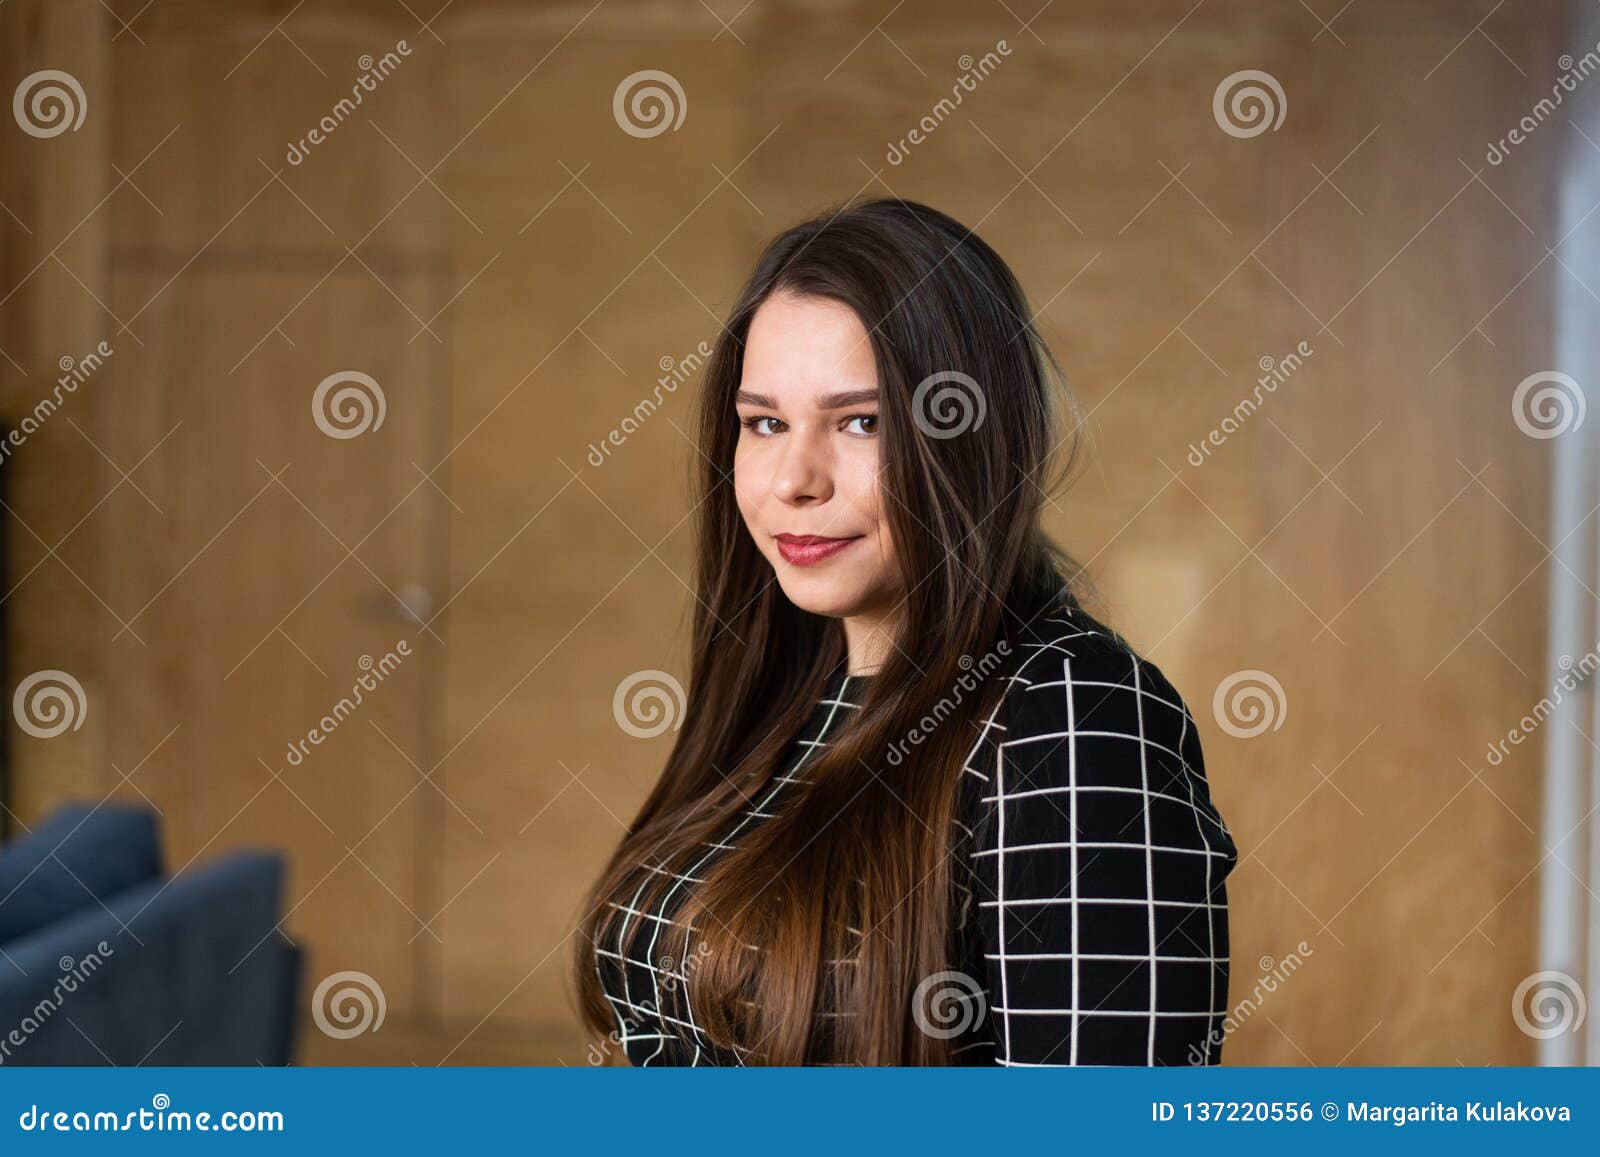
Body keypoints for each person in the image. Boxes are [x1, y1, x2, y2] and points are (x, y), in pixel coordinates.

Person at [573, 197, 1238, 1066]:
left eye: (862, 421)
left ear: (970, 436)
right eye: (764, 422)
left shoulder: (1072, 717)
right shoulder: (784, 689)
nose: (794, 479)